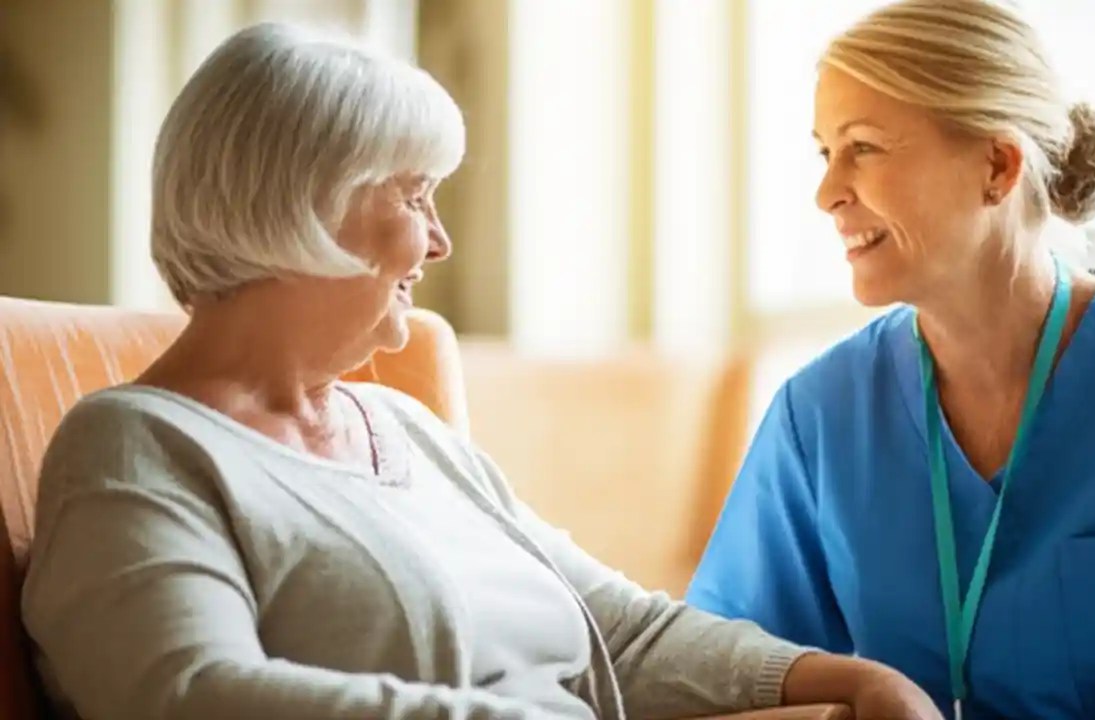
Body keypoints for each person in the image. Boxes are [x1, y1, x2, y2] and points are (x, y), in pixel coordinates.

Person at [19, 22, 943, 720]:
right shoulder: (136, 447)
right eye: (415, 197)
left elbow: (617, 630)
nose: (439, 238)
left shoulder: (407, 430)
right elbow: (193, 695)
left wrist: (843, 677)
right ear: (301, 205)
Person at [686, 1, 1095, 719]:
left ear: (997, 166)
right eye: (824, 152)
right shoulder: (819, 416)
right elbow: (729, 682)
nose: (827, 192)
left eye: (863, 147)